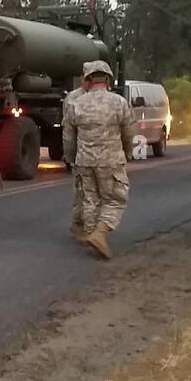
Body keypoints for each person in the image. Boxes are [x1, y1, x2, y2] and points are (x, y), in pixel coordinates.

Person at [62, 60, 134, 259]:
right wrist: (128, 152)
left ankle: (91, 235)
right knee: (116, 199)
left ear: (87, 80)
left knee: (90, 199)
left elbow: (68, 137)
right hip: (110, 160)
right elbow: (129, 131)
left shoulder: (76, 104)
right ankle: (100, 234)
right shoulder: (118, 102)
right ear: (108, 79)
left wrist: (70, 158)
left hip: (84, 161)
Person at [62, 64, 97, 240]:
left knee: (90, 192)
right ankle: (81, 226)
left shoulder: (98, 97)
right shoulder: (73, 98)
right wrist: (70, 155)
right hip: (81, 153)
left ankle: (84, 225)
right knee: (82, 191)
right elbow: (68, 130)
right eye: (88, 78)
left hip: (96, 154)